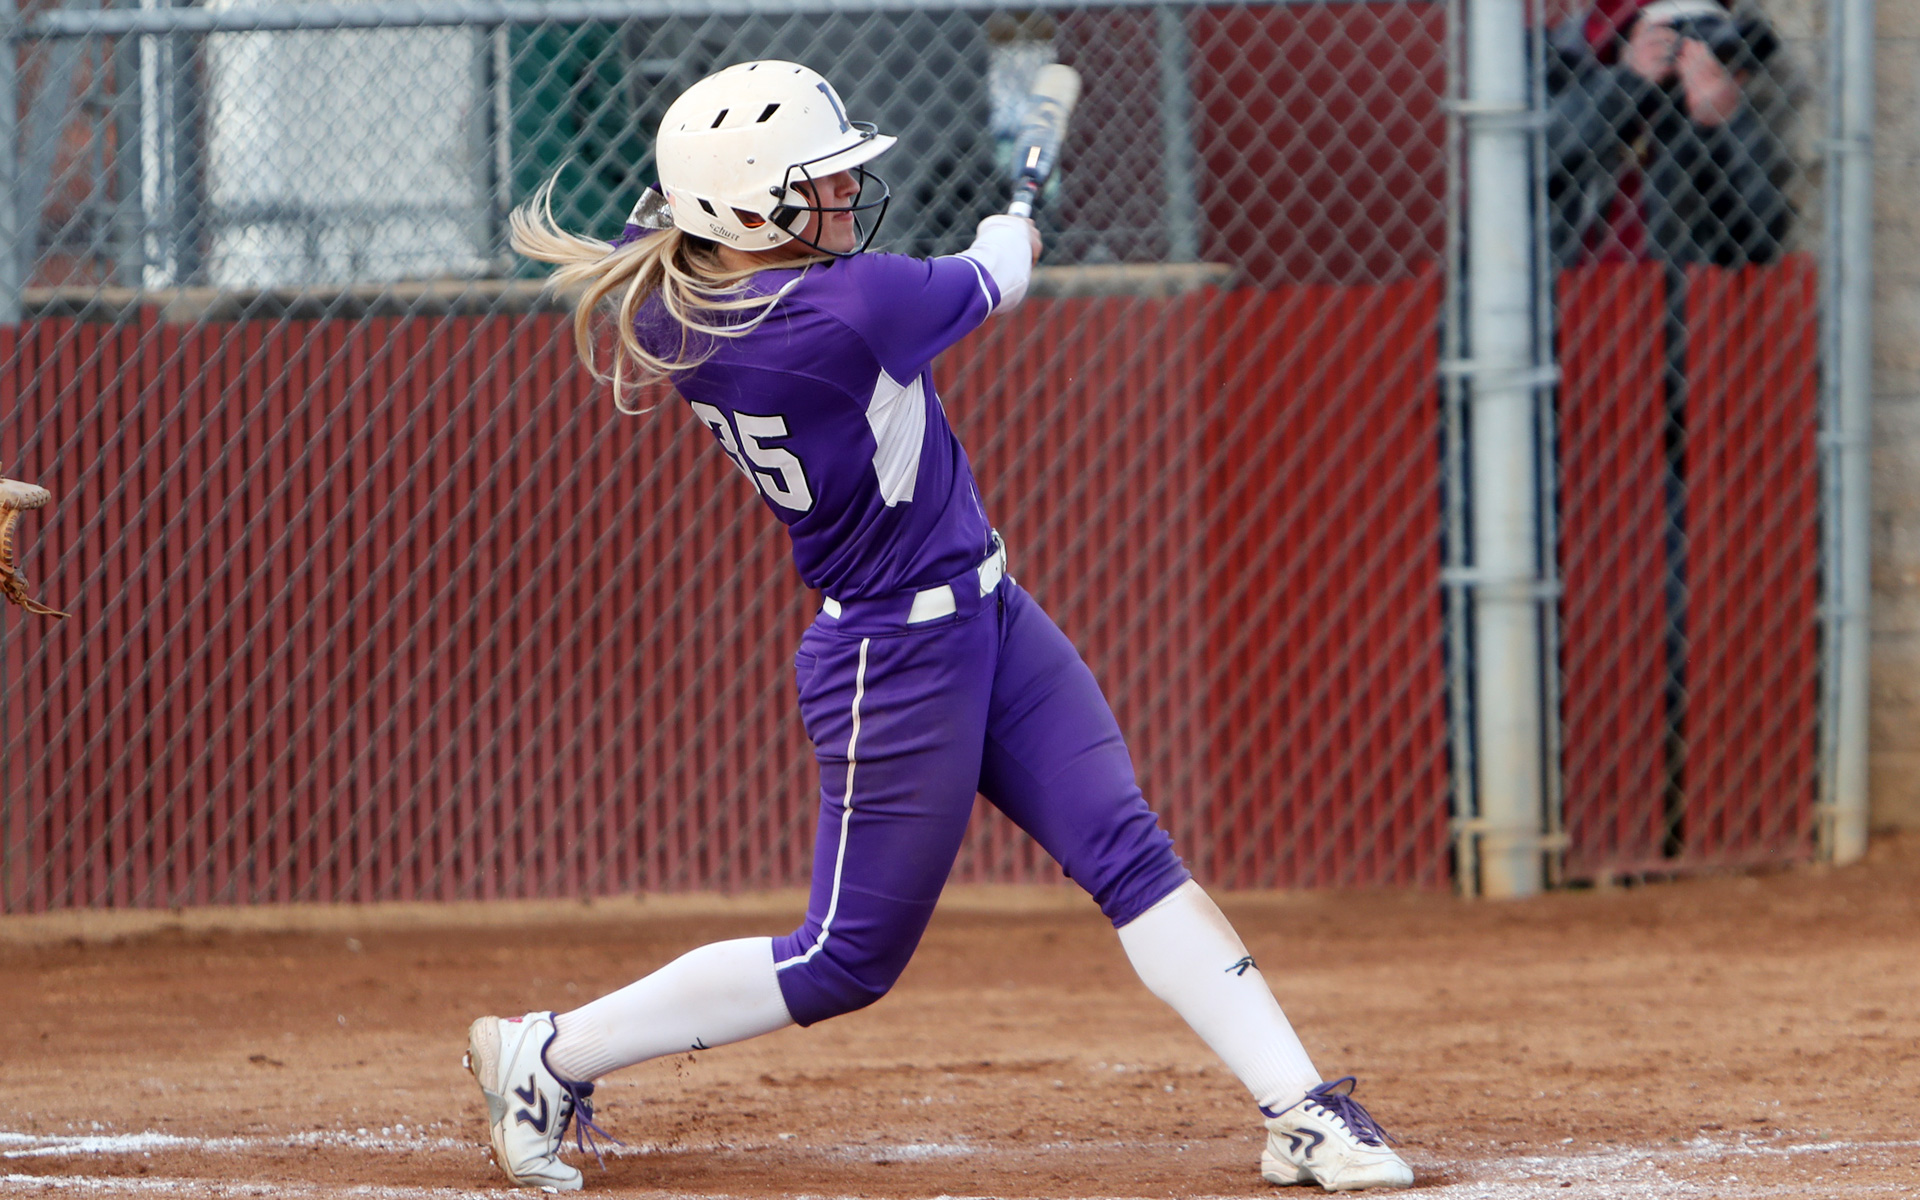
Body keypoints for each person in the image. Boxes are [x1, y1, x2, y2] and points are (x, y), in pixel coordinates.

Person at [461, 60, 1414, 1194]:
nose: (841, 200)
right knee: (841, 960)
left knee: (1129, 853)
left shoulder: (685, 291)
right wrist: (1006, 228)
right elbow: (1001, 268)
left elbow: (680, 225)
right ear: (744, 211)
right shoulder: (848, 307)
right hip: (891, 655)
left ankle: (1301, 1107)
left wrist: (978, 234)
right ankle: (550, 1054)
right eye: (813, 186)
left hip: (990, 614)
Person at [1548, 0, 1790, 267]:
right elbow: (1540, 162)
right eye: (1674, 33)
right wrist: (1626, 83)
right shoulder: (1552, 61)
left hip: (1685, 299)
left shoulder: (1704, 95)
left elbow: (1761, 240)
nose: (1690, 49)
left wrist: (1724, 123)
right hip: (1573, 294)